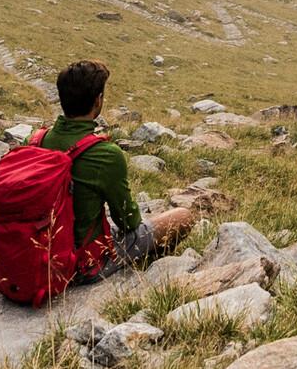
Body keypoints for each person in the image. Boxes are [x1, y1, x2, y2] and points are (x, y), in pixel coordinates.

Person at [34, 59, 196, 272]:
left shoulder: (36, 141)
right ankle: (147, 268)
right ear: (98, 101)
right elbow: (129, 222)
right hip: (81, 266)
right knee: (182, 216)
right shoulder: (105, 154)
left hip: (35, 256)